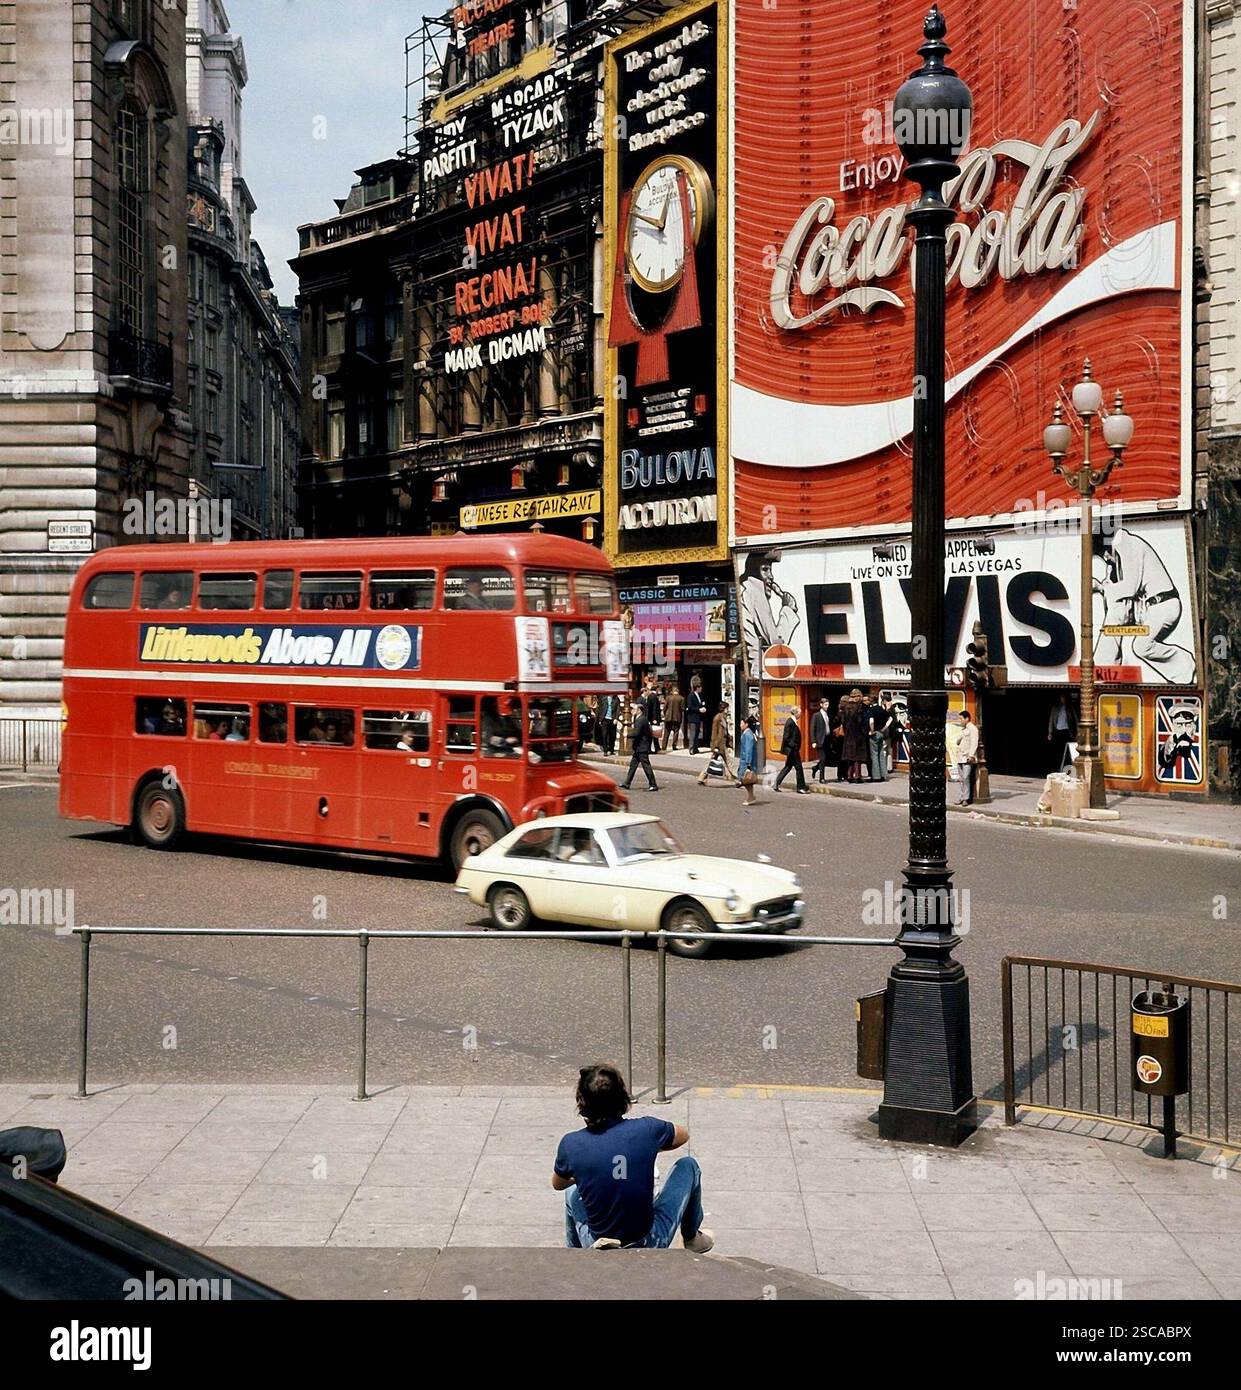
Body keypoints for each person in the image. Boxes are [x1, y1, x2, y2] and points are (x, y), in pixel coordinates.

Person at [553, 1064, 713, 1252]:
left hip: (597, 1241)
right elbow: (683, 1135)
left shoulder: (571, 1143)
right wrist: (645, 1151)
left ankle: (573, 1254)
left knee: (572, 1193)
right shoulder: (647, 1129)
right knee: (688, 1166)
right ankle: (692, 1238)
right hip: (648, 1241)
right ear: (623, 1098)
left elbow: (558, 1183)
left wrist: (594, 1169)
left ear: (582, 1104)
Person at [620, 703, 658, 792]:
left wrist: (627, 734)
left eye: (634, 709)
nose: (632, 711)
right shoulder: (639, 719)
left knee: (646, 766)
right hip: (639, 747)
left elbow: (637, 733)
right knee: (633, 766)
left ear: (639, 710)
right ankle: (627, 783)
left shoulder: (641, 720)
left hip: (642, 747)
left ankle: (653, 784)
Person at [697, 702, 735, 785]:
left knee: (718, 761)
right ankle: (736, 779)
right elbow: (714, 733)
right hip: (719, 744)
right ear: (723, 709)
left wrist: (729, 742)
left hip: (723, 743)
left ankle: (702, 777)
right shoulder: (717, 718)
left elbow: (725, 731)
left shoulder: (723, 717)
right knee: (728, 762)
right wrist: (714, 746)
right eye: (727, 708)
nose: (728, 710)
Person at [773, 705, 808, 793]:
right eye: (799, 713)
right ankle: (800, 787)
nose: (800, 714)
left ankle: (776, 783)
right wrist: (794, 745)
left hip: (793, 749)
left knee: (788, 767)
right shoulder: (790, 722)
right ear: (795, 713)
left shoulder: (793, 721)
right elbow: (786, 737)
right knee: (799, 767)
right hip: (792, 750)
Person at [841, 688, 869, 782]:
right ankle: (857, 776)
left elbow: (843, 722)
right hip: (858, 735)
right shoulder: (859, 707)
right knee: (858, 757)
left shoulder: (846, 707)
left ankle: (849, 775)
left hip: (848, 735)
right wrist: (865, 732)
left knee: (850, 757)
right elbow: (861, 722)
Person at [737, 713, 762, 807]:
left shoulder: (748, 735)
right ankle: (751, 796)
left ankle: (751, 797)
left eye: (741, 723)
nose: (740, 725)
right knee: (747, 780)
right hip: (745, 761)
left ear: (746, 724)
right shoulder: (747, 733)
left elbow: (748, 750)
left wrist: (748, 764)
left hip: (746, 762)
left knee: (746, 779)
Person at [955, 709, 980, 805]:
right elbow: (957, 741)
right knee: (961, 778)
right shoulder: (963, 729)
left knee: (966, 777)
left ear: (967, 718)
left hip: (967, 757)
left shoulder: (973, 729)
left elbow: (974, 743)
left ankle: (966, 798)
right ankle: (961, 797)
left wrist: (971, 755)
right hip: (960, 756)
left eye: (961, 719)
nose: (960, 721)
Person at [1047, 693, 1076, 772]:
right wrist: (1050, 732)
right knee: (1058, 750)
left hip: (1067, 731)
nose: (1063, 699)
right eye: (1062, 697)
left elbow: (1075, 719)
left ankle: (1067, 767)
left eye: (1064, 698)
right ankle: (1058, 766)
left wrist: (1077, 732)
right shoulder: (1055, 708)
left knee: (1067, 750)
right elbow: (1051, 720)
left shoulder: (1070, 708)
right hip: (1058, 730)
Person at [867, 692, 891, 782]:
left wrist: (872, 730)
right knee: (881, 754)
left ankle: (876, 776)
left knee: (874, 754)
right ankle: (884, 775)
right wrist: (884, 728)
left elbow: (871, 721)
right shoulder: (881, 709)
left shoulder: (872, 710)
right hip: (881, 733)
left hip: (875, 733)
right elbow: (890, 719)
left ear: (870, 701)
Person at [809, 697, 831, 783]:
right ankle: (822, 778)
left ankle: (815, 768)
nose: (827, 706)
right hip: (820, 740)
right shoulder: (816, 715)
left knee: (826, 759)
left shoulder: (828, 714)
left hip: (827, 739)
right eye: (825, 705)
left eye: (828, 704)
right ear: (821, 705)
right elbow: (812, 729)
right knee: (823, 758)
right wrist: (813, 741)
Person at [685, 678, 706, 754]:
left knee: (697, 733)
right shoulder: (691, 696)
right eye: (700, 687)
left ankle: (695, 747)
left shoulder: (700, 695)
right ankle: (691, 748)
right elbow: (690, 707)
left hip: (698, 718)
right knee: (693, 734)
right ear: (697, 688)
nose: (701, 689)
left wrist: (703, 708)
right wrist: (698, 709)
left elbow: (702, 703)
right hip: (693, 718)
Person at [663, 684, 685, 752]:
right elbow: (682, 708)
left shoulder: (668, 697)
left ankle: (664, 746)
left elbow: (664, 708)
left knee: (666, 733)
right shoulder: (681, 698)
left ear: (672, 691)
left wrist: (665, 714)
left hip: (668, 718)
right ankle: (674, 746)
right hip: (677, 718)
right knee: (676, 732)